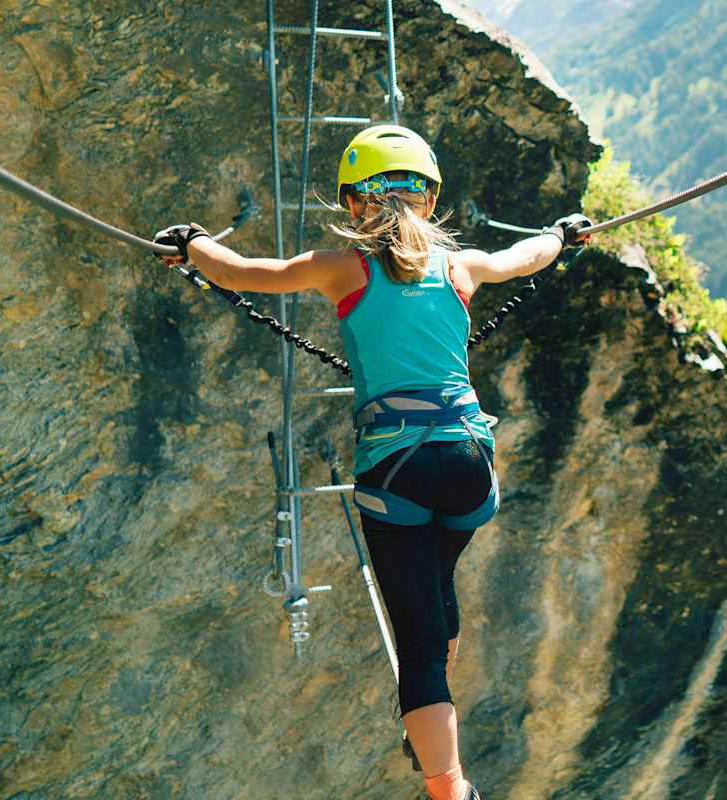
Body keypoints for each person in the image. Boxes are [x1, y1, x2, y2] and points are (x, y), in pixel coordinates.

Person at [155, 124, 587, 800]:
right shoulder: (460, 266)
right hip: (471, 462)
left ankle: (449, 789)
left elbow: (244, 274)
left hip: (397, 469)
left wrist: (192, 241)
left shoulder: (343, 269)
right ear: (428, 198)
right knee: (436, 590)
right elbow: (524, 257)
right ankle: (431, 728)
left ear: (356, 203)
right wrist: (563, 235)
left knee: (417, 644)